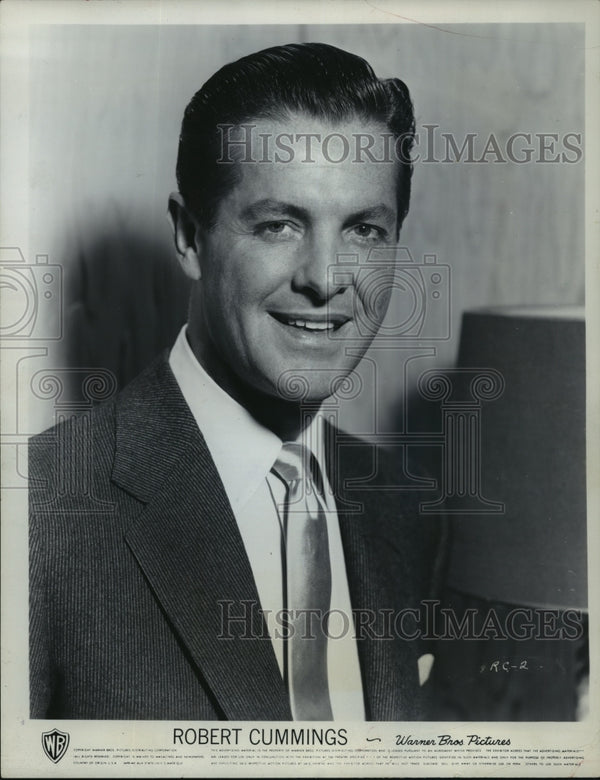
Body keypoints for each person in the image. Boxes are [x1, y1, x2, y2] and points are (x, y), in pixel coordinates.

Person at [29, 42, 444, 721]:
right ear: (190, 236)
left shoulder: (407, 512)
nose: (325, 277)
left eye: (365, 230)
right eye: (280, 224)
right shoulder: (38, 509)